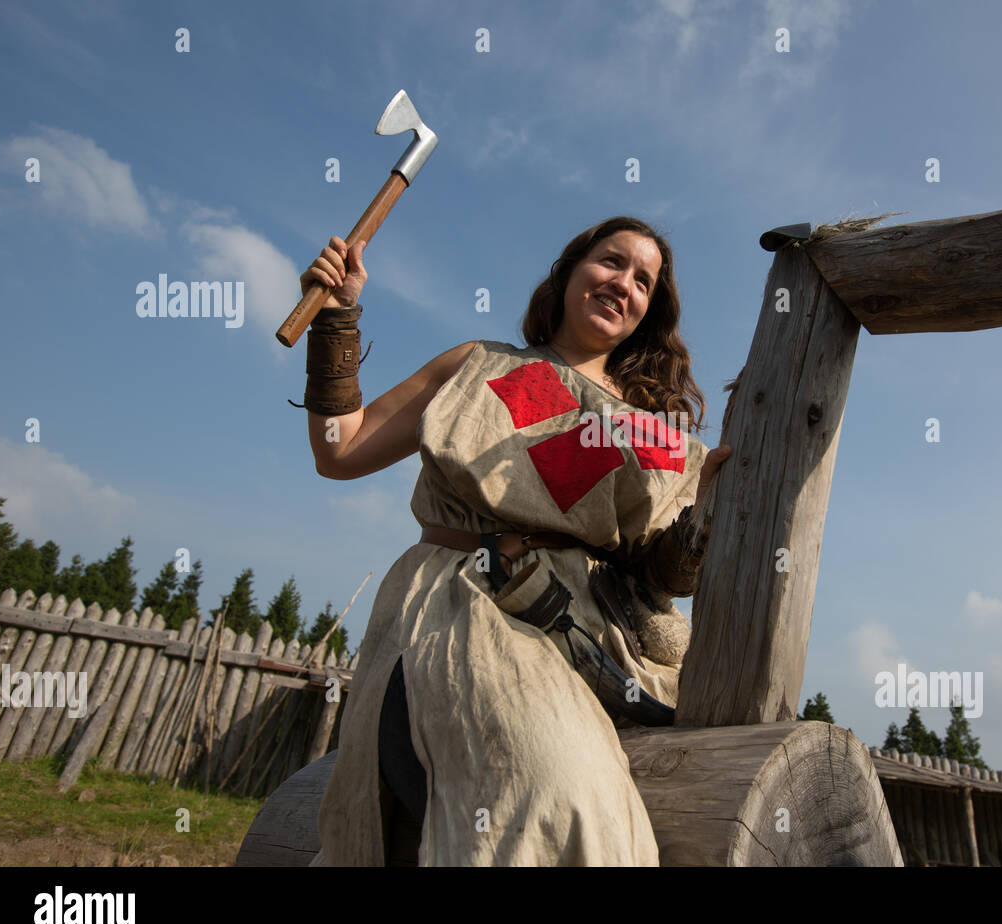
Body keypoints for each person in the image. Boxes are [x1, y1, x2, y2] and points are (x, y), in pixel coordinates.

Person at [300, 217, 731, 865]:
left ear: (649, 312)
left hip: (585, 638)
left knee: (611, 830)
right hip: (466, 604)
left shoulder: (654, 433)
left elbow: (666, 572)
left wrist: (712, 511)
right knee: (557, 800)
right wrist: (336, 318)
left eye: (644, 281)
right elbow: (341, 451)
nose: (625, 284)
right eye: (611, 262)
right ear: (569, 272)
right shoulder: (479, 365)